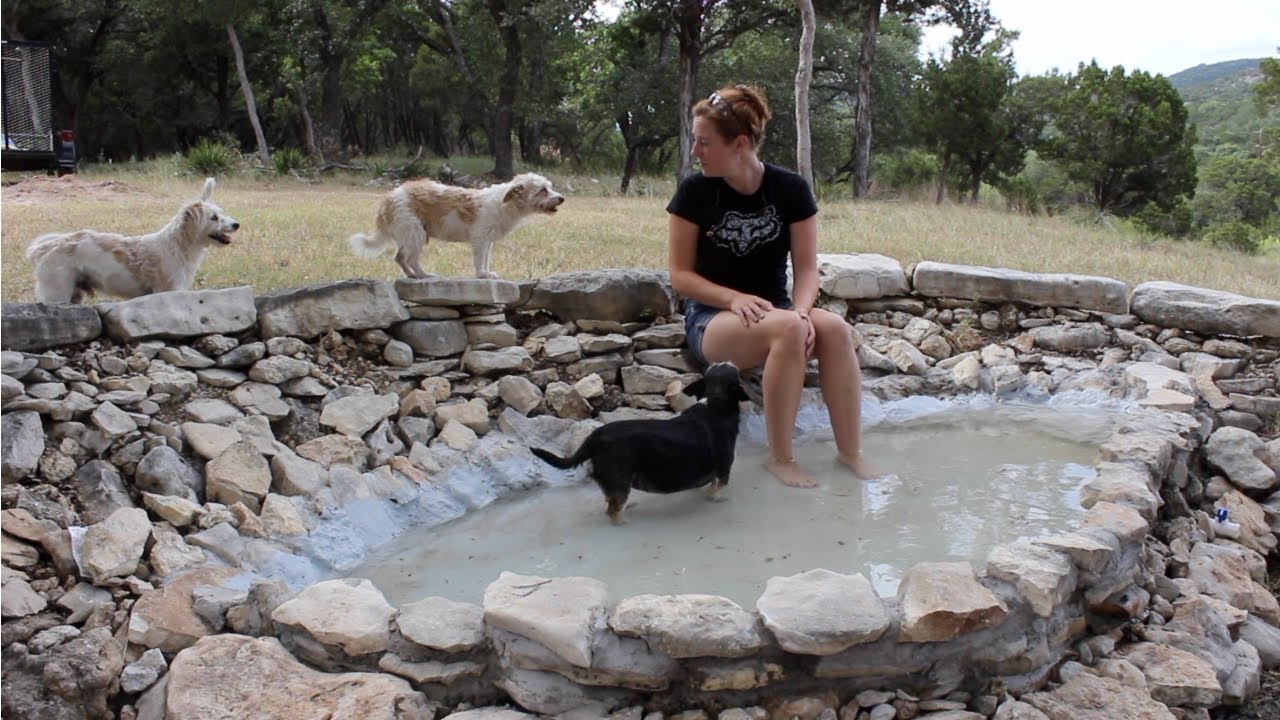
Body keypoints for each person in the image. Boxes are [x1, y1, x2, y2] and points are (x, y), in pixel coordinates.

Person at [666, 83, 873, 488]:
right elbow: (680, 276)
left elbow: (808, 270)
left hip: (777, 312)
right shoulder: (695, 192)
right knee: (791, 328)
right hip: (712, 317)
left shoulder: (790, 189)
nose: (695, 152)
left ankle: (851, 452)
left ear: (739, 143)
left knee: (833, 328)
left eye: (705, 143)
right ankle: (780, 458)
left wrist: (799, 310)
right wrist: (733, 298)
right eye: (696, 141)